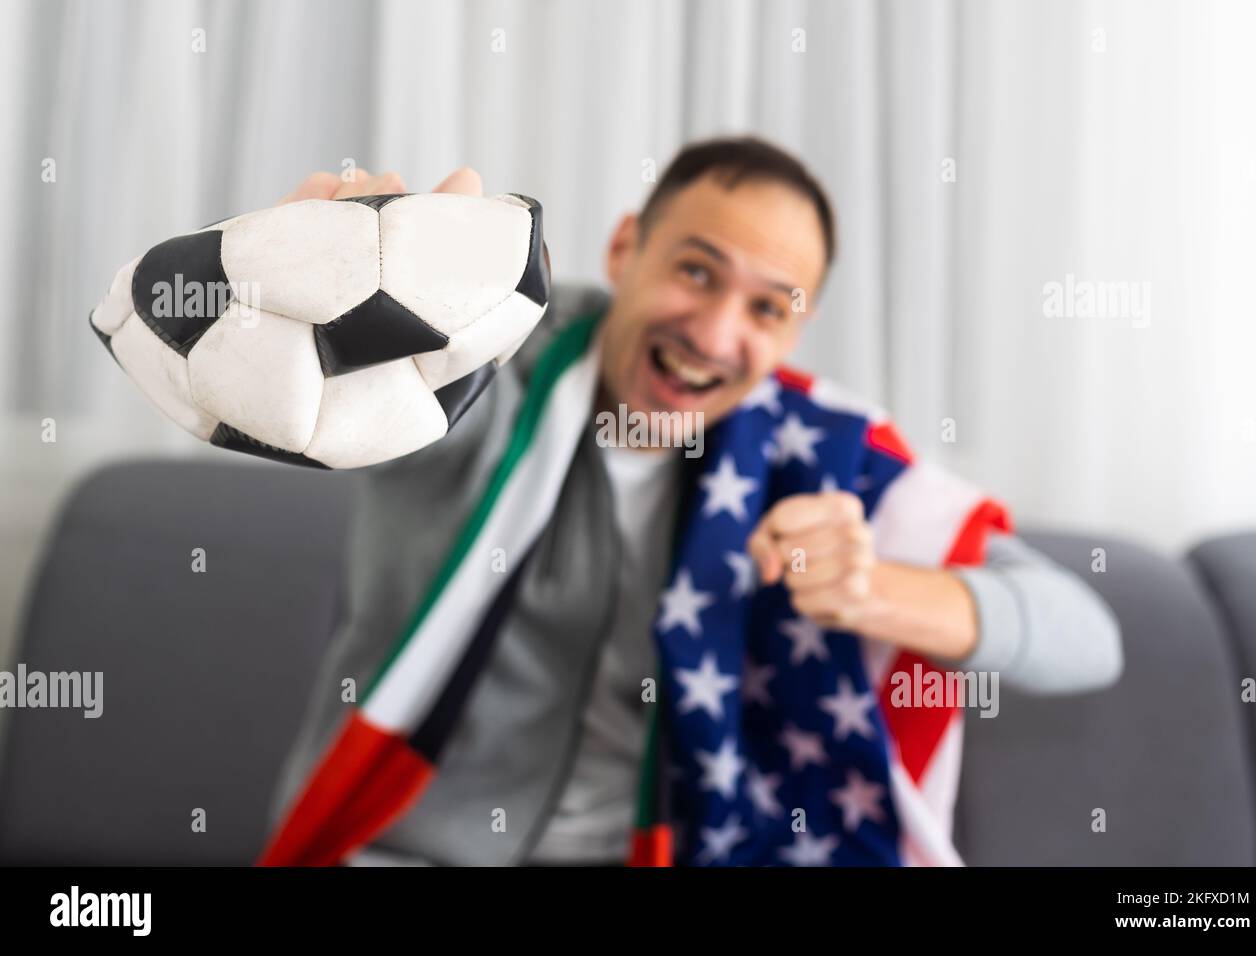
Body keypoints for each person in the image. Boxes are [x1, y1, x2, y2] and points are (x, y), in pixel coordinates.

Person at [263, 136, 1122, 867]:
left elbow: (1087, 638)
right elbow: (346, 394)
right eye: (696, 271)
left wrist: (872, 592)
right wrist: (342, 305)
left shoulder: (814, 456)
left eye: (765, 307)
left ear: (796, 329)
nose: (713, 335)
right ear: (626, 249)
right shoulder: (482, 358)